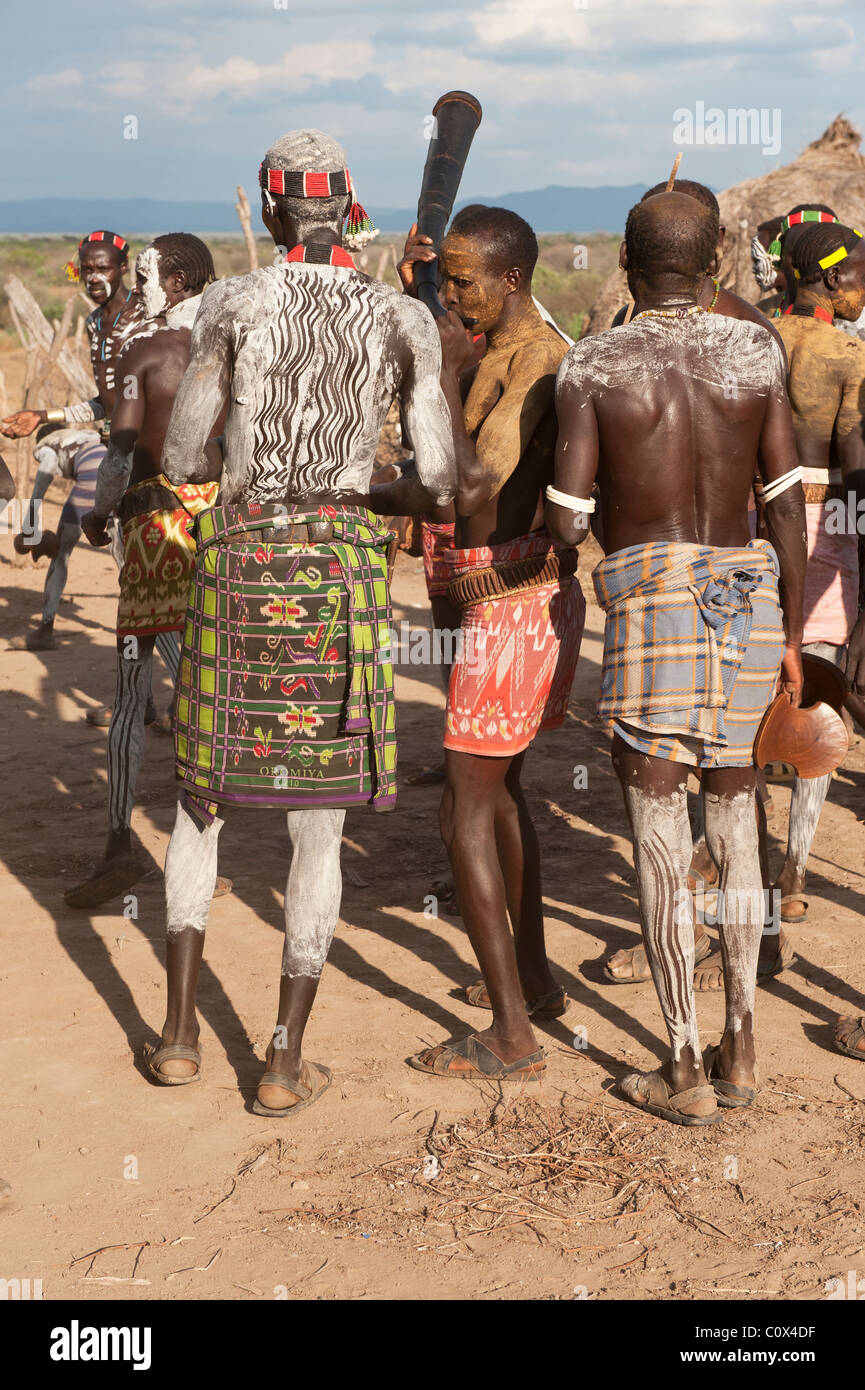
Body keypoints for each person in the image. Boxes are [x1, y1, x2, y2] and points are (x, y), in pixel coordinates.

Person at [145, 130, 455, 1112]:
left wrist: (242, 461)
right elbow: (440, 479)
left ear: (273, 210)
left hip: (240, 558)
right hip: (342, 571)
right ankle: (282, 1062)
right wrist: (367, 487)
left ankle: (179, 1035)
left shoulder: (233, 303)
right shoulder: (401, 315)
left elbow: (182, 456)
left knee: (200, 804)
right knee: (316, 828)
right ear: (347, 207)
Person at [548, 191, 806, 1124]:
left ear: (625, 262)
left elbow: (565, 520)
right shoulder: (755, 353)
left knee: (656, 832)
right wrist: (789, 632)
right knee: (734, 823)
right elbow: (784, 506)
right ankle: (743, 1042)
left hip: (653, 603)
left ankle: (683, 1066)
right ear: (717, 261)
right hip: (750, 601)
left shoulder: (593, 363)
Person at [391, 205, 585, 1083]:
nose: (453, 293)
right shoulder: (500, 345)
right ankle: (533, 983)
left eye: (464, 281)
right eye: (447, 278)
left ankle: (510, 1036)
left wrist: (437, 370)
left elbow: (473, 489)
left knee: (462, 810)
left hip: (513, 603)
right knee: (499, 797)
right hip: (510, 595)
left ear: (511, 278)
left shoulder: (536, 359)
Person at [65, 234, 224, 909]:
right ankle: (201, 845)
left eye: (145, 278)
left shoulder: (145, 354)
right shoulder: (233, 350)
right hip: (216, 531)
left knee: (134, 691)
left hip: (156, 534)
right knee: (205, 686)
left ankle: (118, 846)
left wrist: (99, 514)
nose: (138, 289)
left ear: (177, 282)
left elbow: (122, 453)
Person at [769, 222, 865, 935]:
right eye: (861, 272)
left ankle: (726, 855)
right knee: (820, 702)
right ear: (832, 278)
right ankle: (795, 871)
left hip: (756, 523)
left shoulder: (757, 341)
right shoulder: (847, 355)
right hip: (827, 530)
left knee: (747, 698)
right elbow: (856, 478)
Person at [2, 231, 144, 652]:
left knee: (138, 565)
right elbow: (106, 402)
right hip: (113, 456)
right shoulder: (95, 324)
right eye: (87, 270)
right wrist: (42, 416)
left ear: (123, 268)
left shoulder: (146, 318)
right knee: (124, 561)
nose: (94, 278)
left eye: (103, 268)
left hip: (147, 457)